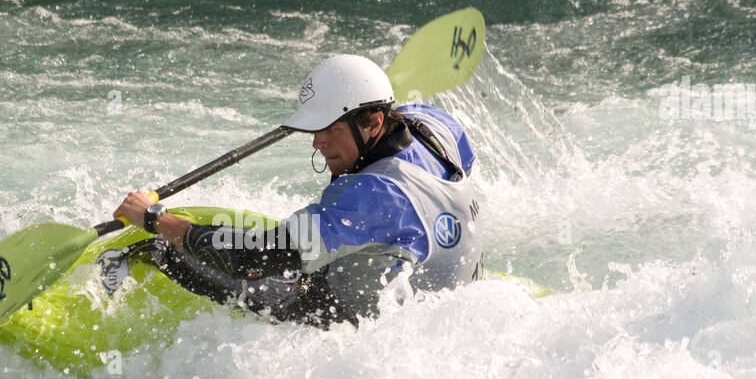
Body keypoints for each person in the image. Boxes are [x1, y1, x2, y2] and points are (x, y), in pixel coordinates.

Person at [113, 54, 485, 328]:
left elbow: (255, 256)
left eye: (329, 130)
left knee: (165, 249)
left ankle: (137, 256)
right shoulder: (431, 124)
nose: (317, 143)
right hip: (452, 293)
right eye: (314, 129)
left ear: (372, 122)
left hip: (367, 325)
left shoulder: (372, 198)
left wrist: (155, 218)